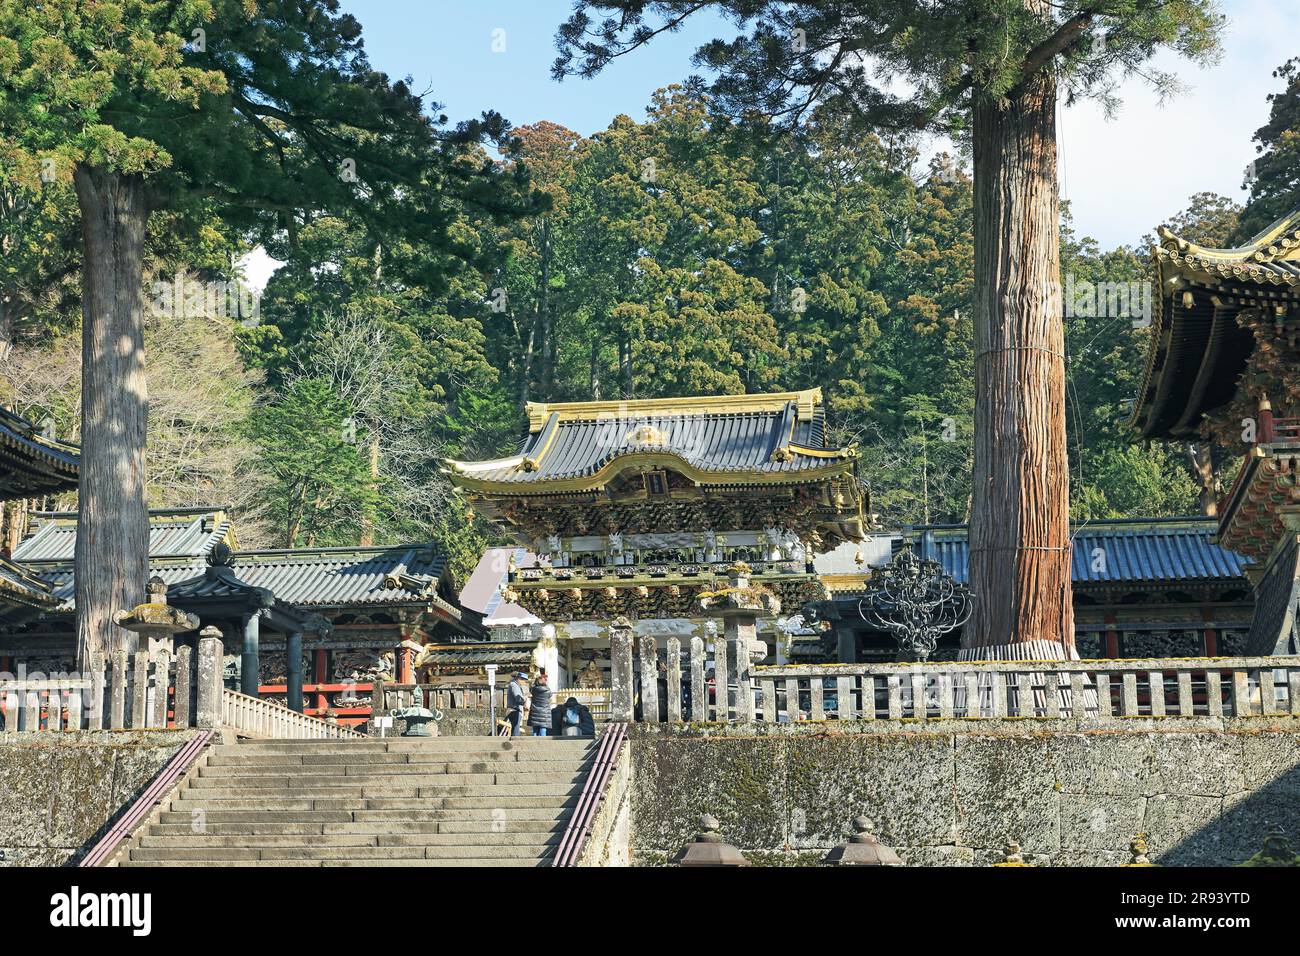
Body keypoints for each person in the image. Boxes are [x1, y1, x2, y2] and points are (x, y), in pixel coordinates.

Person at [527, 670, 553, 736]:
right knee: (543, 729)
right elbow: (550, 696)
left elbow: (531, 688)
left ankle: (534, 744)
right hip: (544, 712)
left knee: (535, 729)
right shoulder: (547, 690)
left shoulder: (534, 689)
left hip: (535, 711)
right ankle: (542, 744)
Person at [505, 671, 529, 737]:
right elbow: (518, 698)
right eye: (524, 680)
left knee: (515, 729)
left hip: (515, 710)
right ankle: (516, 744)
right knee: (516, 730)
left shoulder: (515, 685)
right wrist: (525, 697)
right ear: (519, 679)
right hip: (514, 710)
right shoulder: (514, 685)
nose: (524, 682)